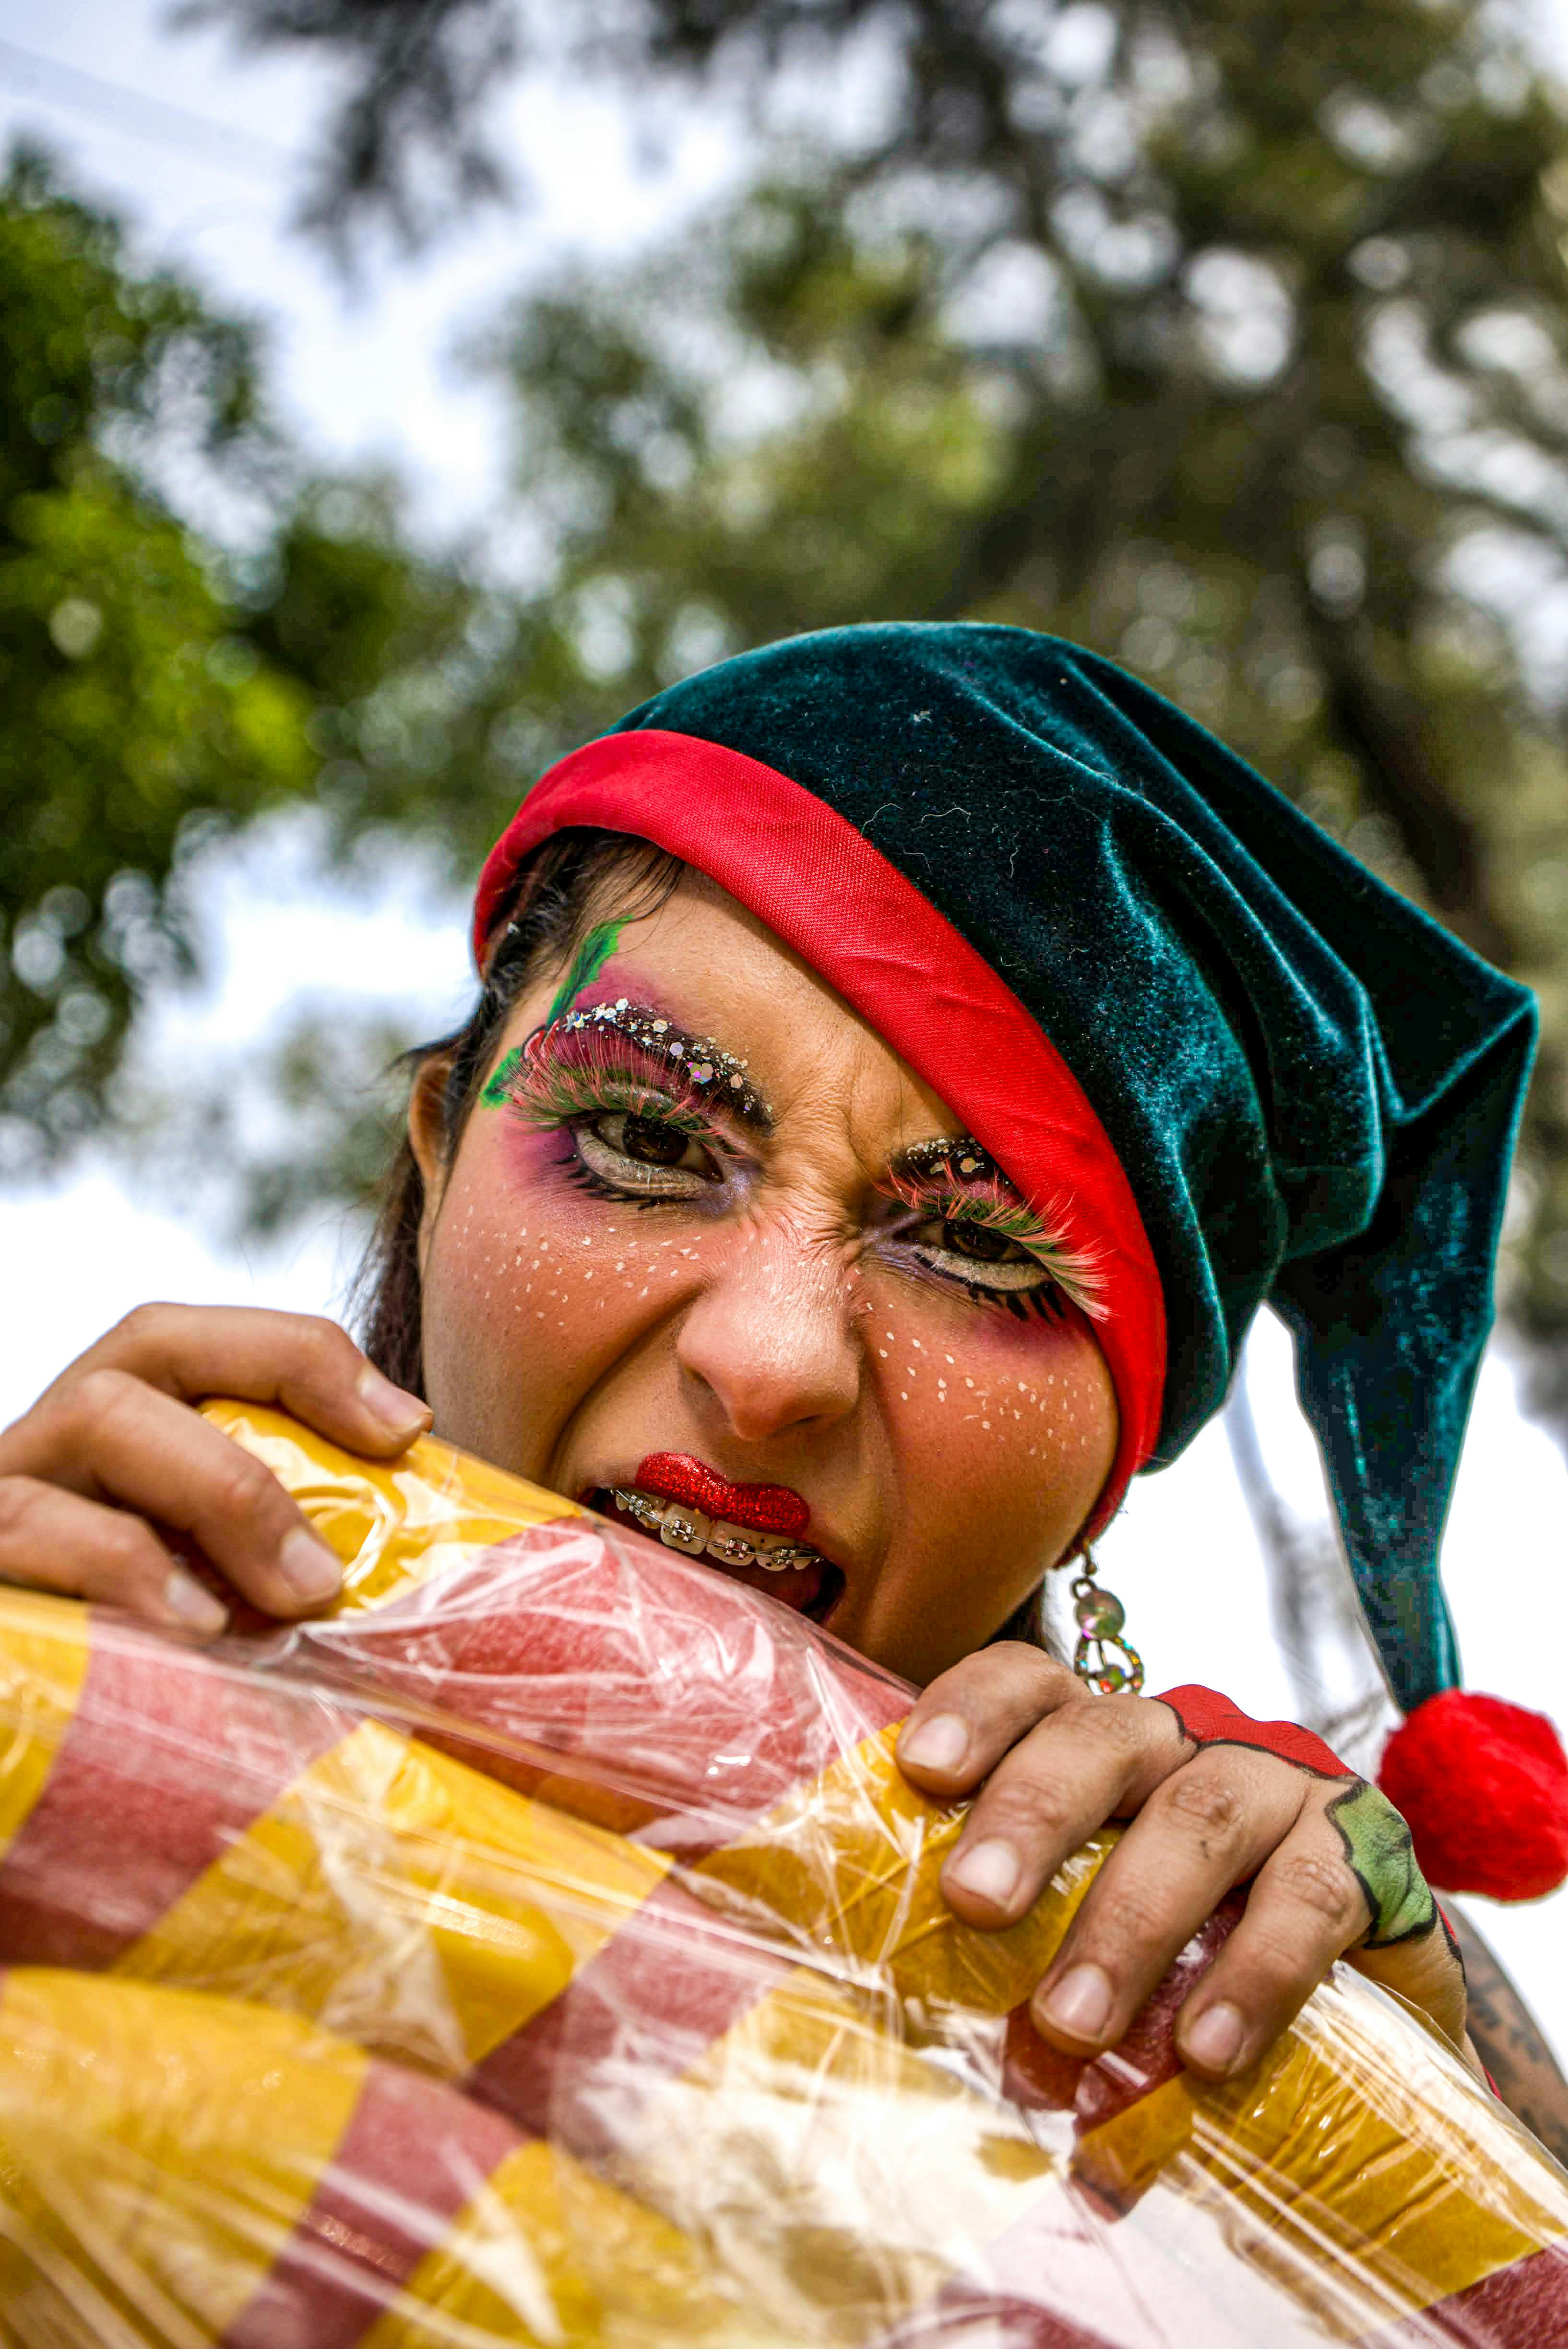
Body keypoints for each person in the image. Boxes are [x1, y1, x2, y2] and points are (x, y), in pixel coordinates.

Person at [3, 622, 1565, 2110]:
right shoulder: (67, 1657)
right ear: (435, 1168)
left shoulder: (1230, 1995)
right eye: (637, 1138)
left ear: (1104, 1467)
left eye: (974, 1251)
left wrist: (1375, 2115)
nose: (764, 1365)